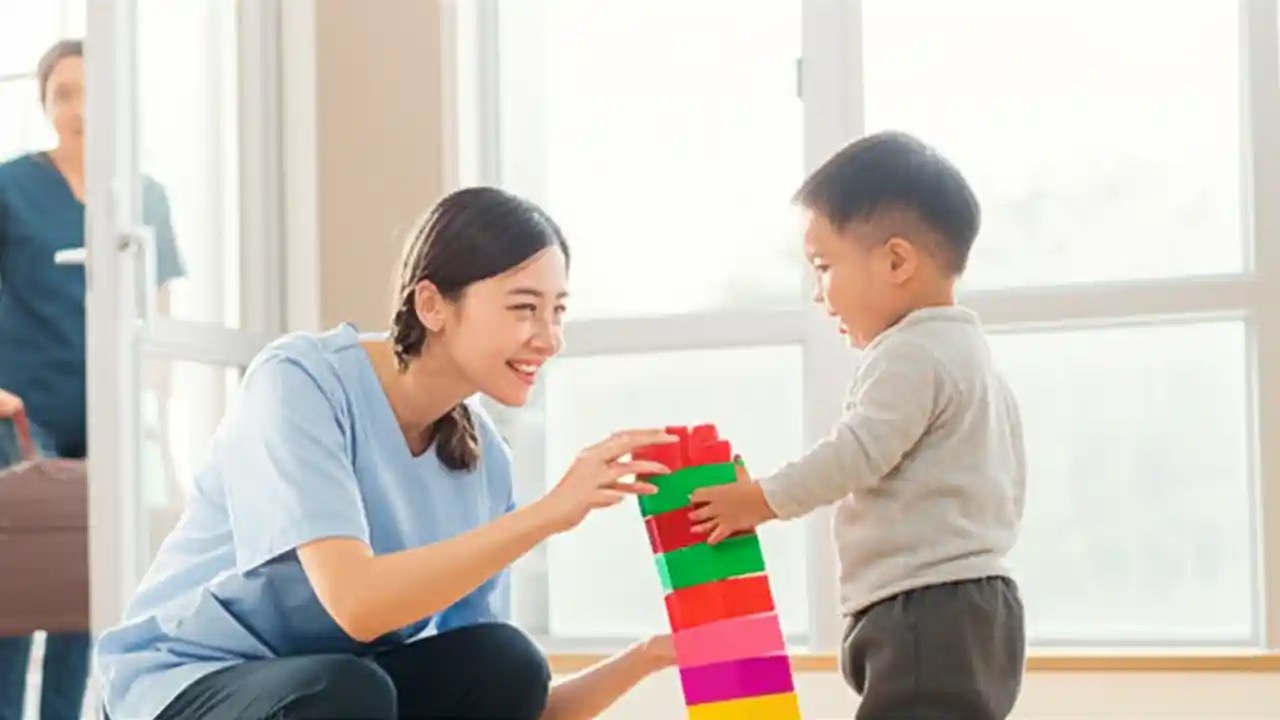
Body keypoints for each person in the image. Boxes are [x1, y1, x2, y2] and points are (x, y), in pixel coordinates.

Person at [96, 186, 680, 719]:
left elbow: (511, 704)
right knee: (347, 690)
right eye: (523, 307)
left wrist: (649, 656)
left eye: (558, 311)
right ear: (432, 305)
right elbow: (357, 605)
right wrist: (550, 514)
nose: (548, 338)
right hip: (182, 686)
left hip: (328, 693)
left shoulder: (483, 462)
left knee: (505, 660)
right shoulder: (300, 382)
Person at [689, 131, 1027, 719]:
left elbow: (855, 453)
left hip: (928, 607)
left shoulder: (909, 353)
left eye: (823, 267)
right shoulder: (970, 355)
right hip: (976, 606)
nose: (819, 294)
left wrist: (760, 500)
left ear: (897, 260)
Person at [0, 39, 184, 720]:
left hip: (108, 410)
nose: (76, 108)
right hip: (21, 409)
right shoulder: (9, 185)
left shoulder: (144, 197)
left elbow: (160, 300)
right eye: (61, 94)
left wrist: (157, 392)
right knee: (20, 588)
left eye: (88, 92)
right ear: (44, 107)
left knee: (85, 587)